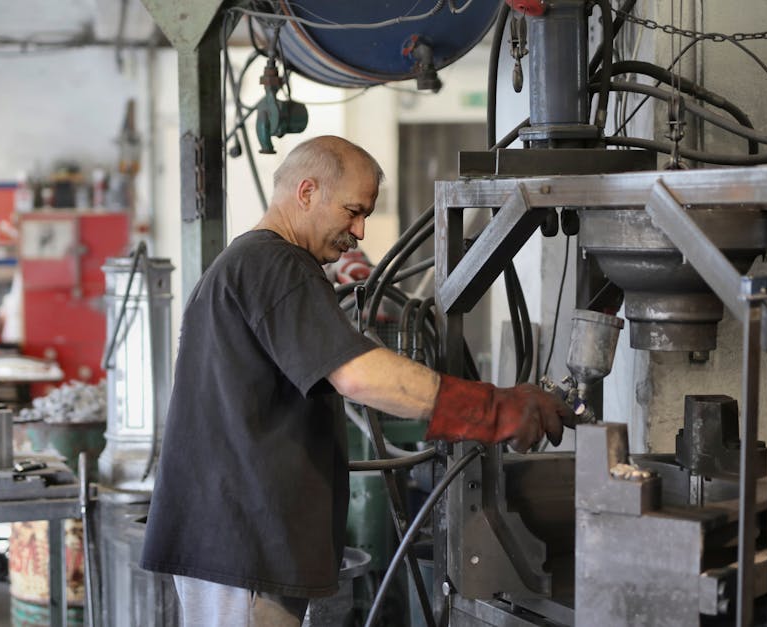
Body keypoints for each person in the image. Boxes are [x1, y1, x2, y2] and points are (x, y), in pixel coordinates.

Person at [140, 136, 570, 627]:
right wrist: (494, 409)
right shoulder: (275, 264)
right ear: (306, 192)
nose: (360, 231)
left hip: (239, 543)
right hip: (242, 548)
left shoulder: (248, 264)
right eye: (352, 211)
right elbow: (359, 374)